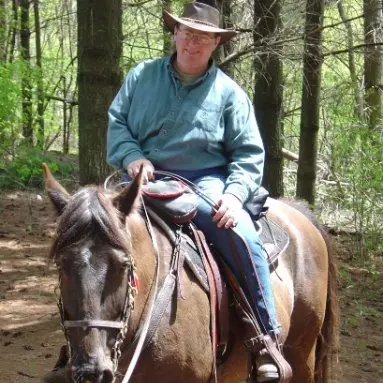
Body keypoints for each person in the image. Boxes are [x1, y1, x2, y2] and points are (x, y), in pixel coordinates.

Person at [107, 1, 289, 381]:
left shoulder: (229, 94)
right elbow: (118, 123)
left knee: (238, 231)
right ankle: (85, 341)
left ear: (216, 43)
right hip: (143, 176)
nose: (193, 43)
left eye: (204, 37)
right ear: (175, 34)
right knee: (92, 232)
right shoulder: (142, 77)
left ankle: (263, 337)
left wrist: (234, 194)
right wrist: (133, 157)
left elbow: (248, 153)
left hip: (205, 181)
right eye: (188, 33)